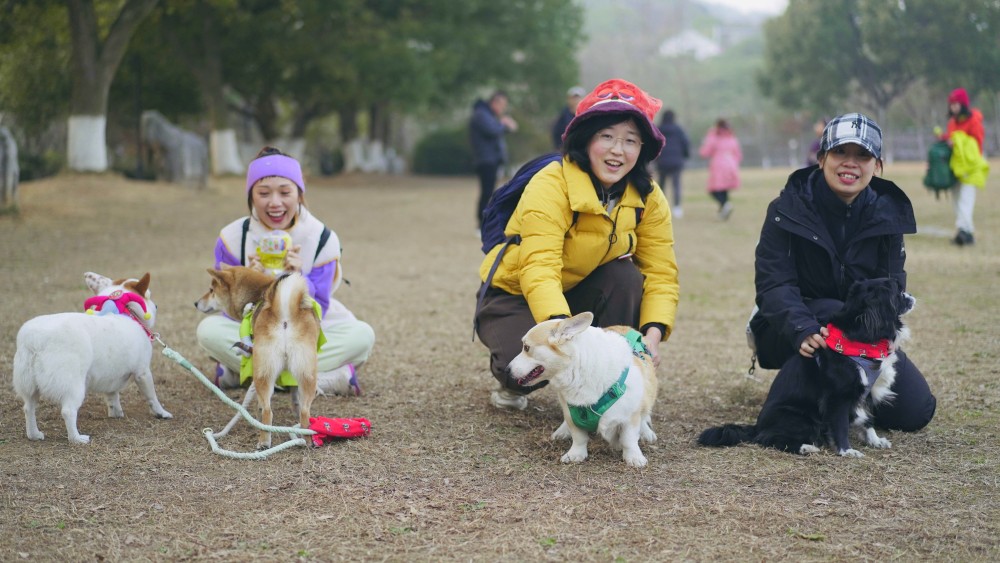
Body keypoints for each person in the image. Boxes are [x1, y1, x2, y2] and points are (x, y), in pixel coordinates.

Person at [474, 78, 680, 410]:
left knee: (624, 277)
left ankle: (605, 385)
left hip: (583, 287)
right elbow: (538, 268)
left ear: (642, 149)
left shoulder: (648, 197)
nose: (618, 150)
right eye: (607, 136)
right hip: (516, 293)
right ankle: (509, 384)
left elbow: (661, 271)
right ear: (585, 140)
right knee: (522, 369)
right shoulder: (552, 183)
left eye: (630, 140)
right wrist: (563, 336)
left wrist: (652, 335)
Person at [747, 113, 936, 432]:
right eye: (840, 152)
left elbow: (890, 290)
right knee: (831, 311)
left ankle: (842, 395)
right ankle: (803, 397)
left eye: (863, 155)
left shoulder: (887, 214)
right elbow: (774, 282)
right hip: (791, 327)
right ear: (821, 158)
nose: (850, 163)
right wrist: (801, 327)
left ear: (877, 165)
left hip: (861, 331)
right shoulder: (785, 209)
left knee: (915, 411)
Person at [196, 147, 375, 396]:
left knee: (362, 336)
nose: (275, 203)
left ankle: (246, 374)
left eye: (285, 192)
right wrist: (247, 280)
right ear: (251, 197)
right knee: (208, 331)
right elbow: (227, 304)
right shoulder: (233, 237)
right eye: (263, 193)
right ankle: (324, 379)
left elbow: (319, 306)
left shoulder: (322, 238)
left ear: (299, 195)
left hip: (305, 329)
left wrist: (299, 279)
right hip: (257, 331)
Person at [469, 91, 519, 232]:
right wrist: (506, 126)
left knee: (489, 192)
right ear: (495, 102)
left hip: (491, 160)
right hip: (486, 160)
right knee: (486, 193)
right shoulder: (481, 114)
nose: (503, 109)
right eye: (502, 105)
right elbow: (492, 131)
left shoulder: (487, 115)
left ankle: (486, 224)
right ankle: (481, 225)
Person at [943, 87, 986, 246]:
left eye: (956, 104)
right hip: (956, 166)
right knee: (956, 199)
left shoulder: (974, 121)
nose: (953, 107)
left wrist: (958, 140)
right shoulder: (952, 122)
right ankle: (966, 233)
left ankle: (963, 231)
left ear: (963, 104)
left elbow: (977, 145)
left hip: (970, 167)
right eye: (951, 104)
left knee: (965, 200)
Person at [698, 118, 742, 220]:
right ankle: (723, 212)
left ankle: (725, 205)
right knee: (724, 189)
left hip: (719, 165)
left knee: (713, 190)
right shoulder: (732, 137)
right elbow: (738, 154)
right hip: (731, 165)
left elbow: (705, 152)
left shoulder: (714, 136)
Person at [655, 109, 690, 218]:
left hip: (662, 162)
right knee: (676, 185)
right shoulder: (678, 129)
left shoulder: (658, 129)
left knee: (661, 185)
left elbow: (654, 144)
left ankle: (660, 207)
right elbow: (685, 143)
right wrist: (685, 155)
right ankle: (677, 208)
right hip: (676, 161)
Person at [552, 86, 586, 150]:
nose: (576, 100)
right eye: (574, 98)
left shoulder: (588, 113)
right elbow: (556, 133)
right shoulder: (563, 115)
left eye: (578, 98)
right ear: (569, 100)